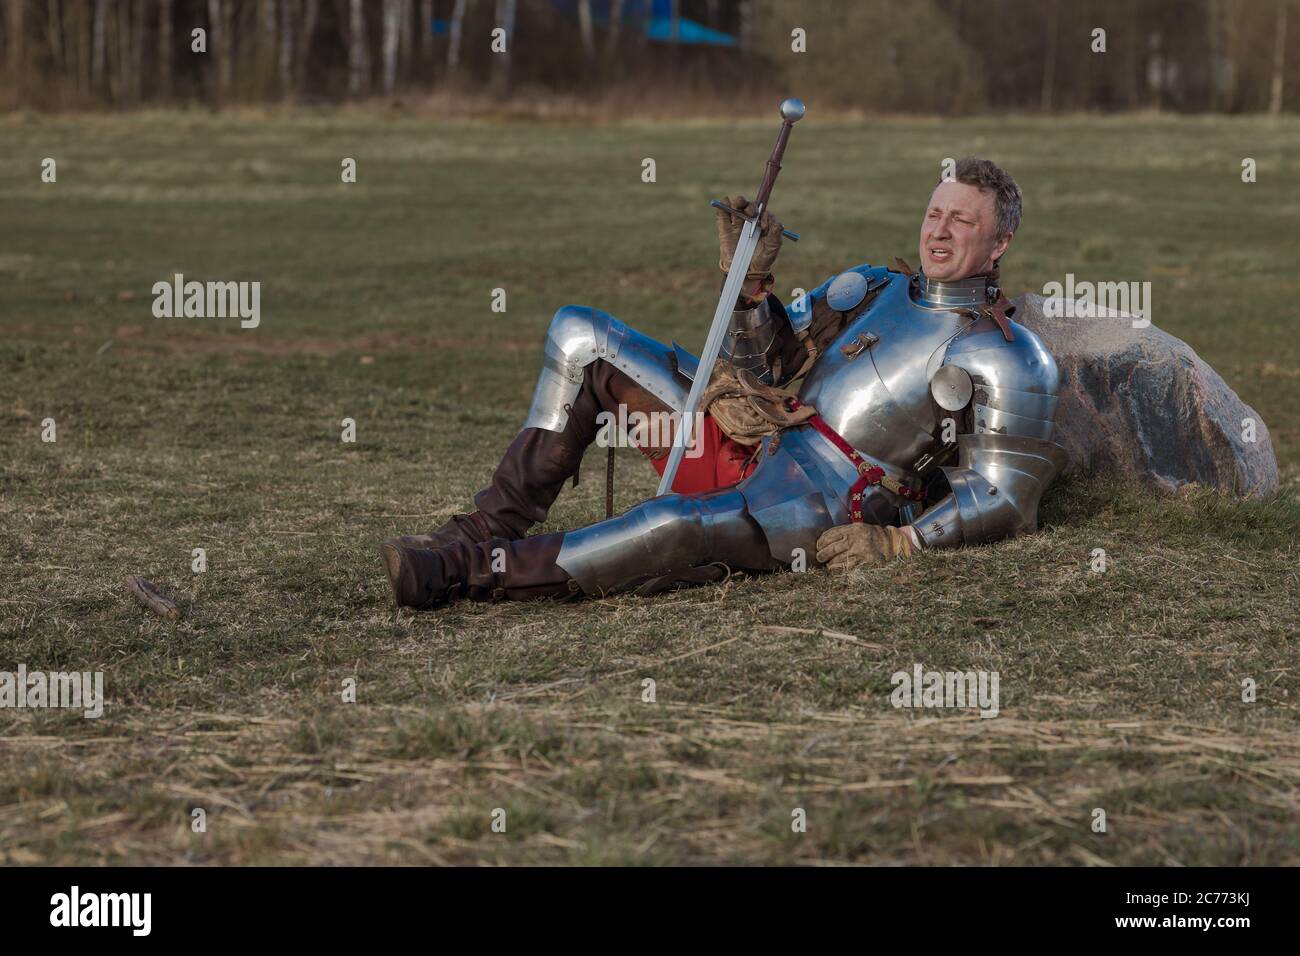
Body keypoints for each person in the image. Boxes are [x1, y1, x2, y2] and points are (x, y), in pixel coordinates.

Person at [381, 157, 1065, 608]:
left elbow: (1007, 496)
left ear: (999, 243)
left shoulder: (1009, 358)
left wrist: (901, 543)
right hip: (762, 427)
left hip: (826, 499)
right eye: (935, 214)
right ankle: (482, 523)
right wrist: (752, 286)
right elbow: (761, 366)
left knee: (670, 522)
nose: (939, 232)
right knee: (579, 333)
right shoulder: (874, 286)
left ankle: (462, 571)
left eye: (962, 221)